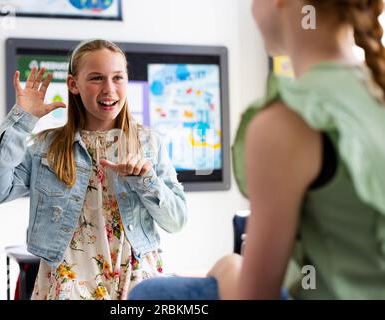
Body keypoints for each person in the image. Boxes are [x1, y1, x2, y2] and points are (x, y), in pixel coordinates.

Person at [129, 0, 385, 300]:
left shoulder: (285, 120)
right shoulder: (374, 92)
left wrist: (227, 265)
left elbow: (254, 296)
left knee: (149, 295)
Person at [0, 39, 187, 300]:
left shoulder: (148, 143)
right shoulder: (46, 146)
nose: (109, 89)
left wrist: (147, 180)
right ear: (72, 84)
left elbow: (176, 221)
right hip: (68, 283)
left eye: (118, 78)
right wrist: (22, 120)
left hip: (135, 281)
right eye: (97, 78)